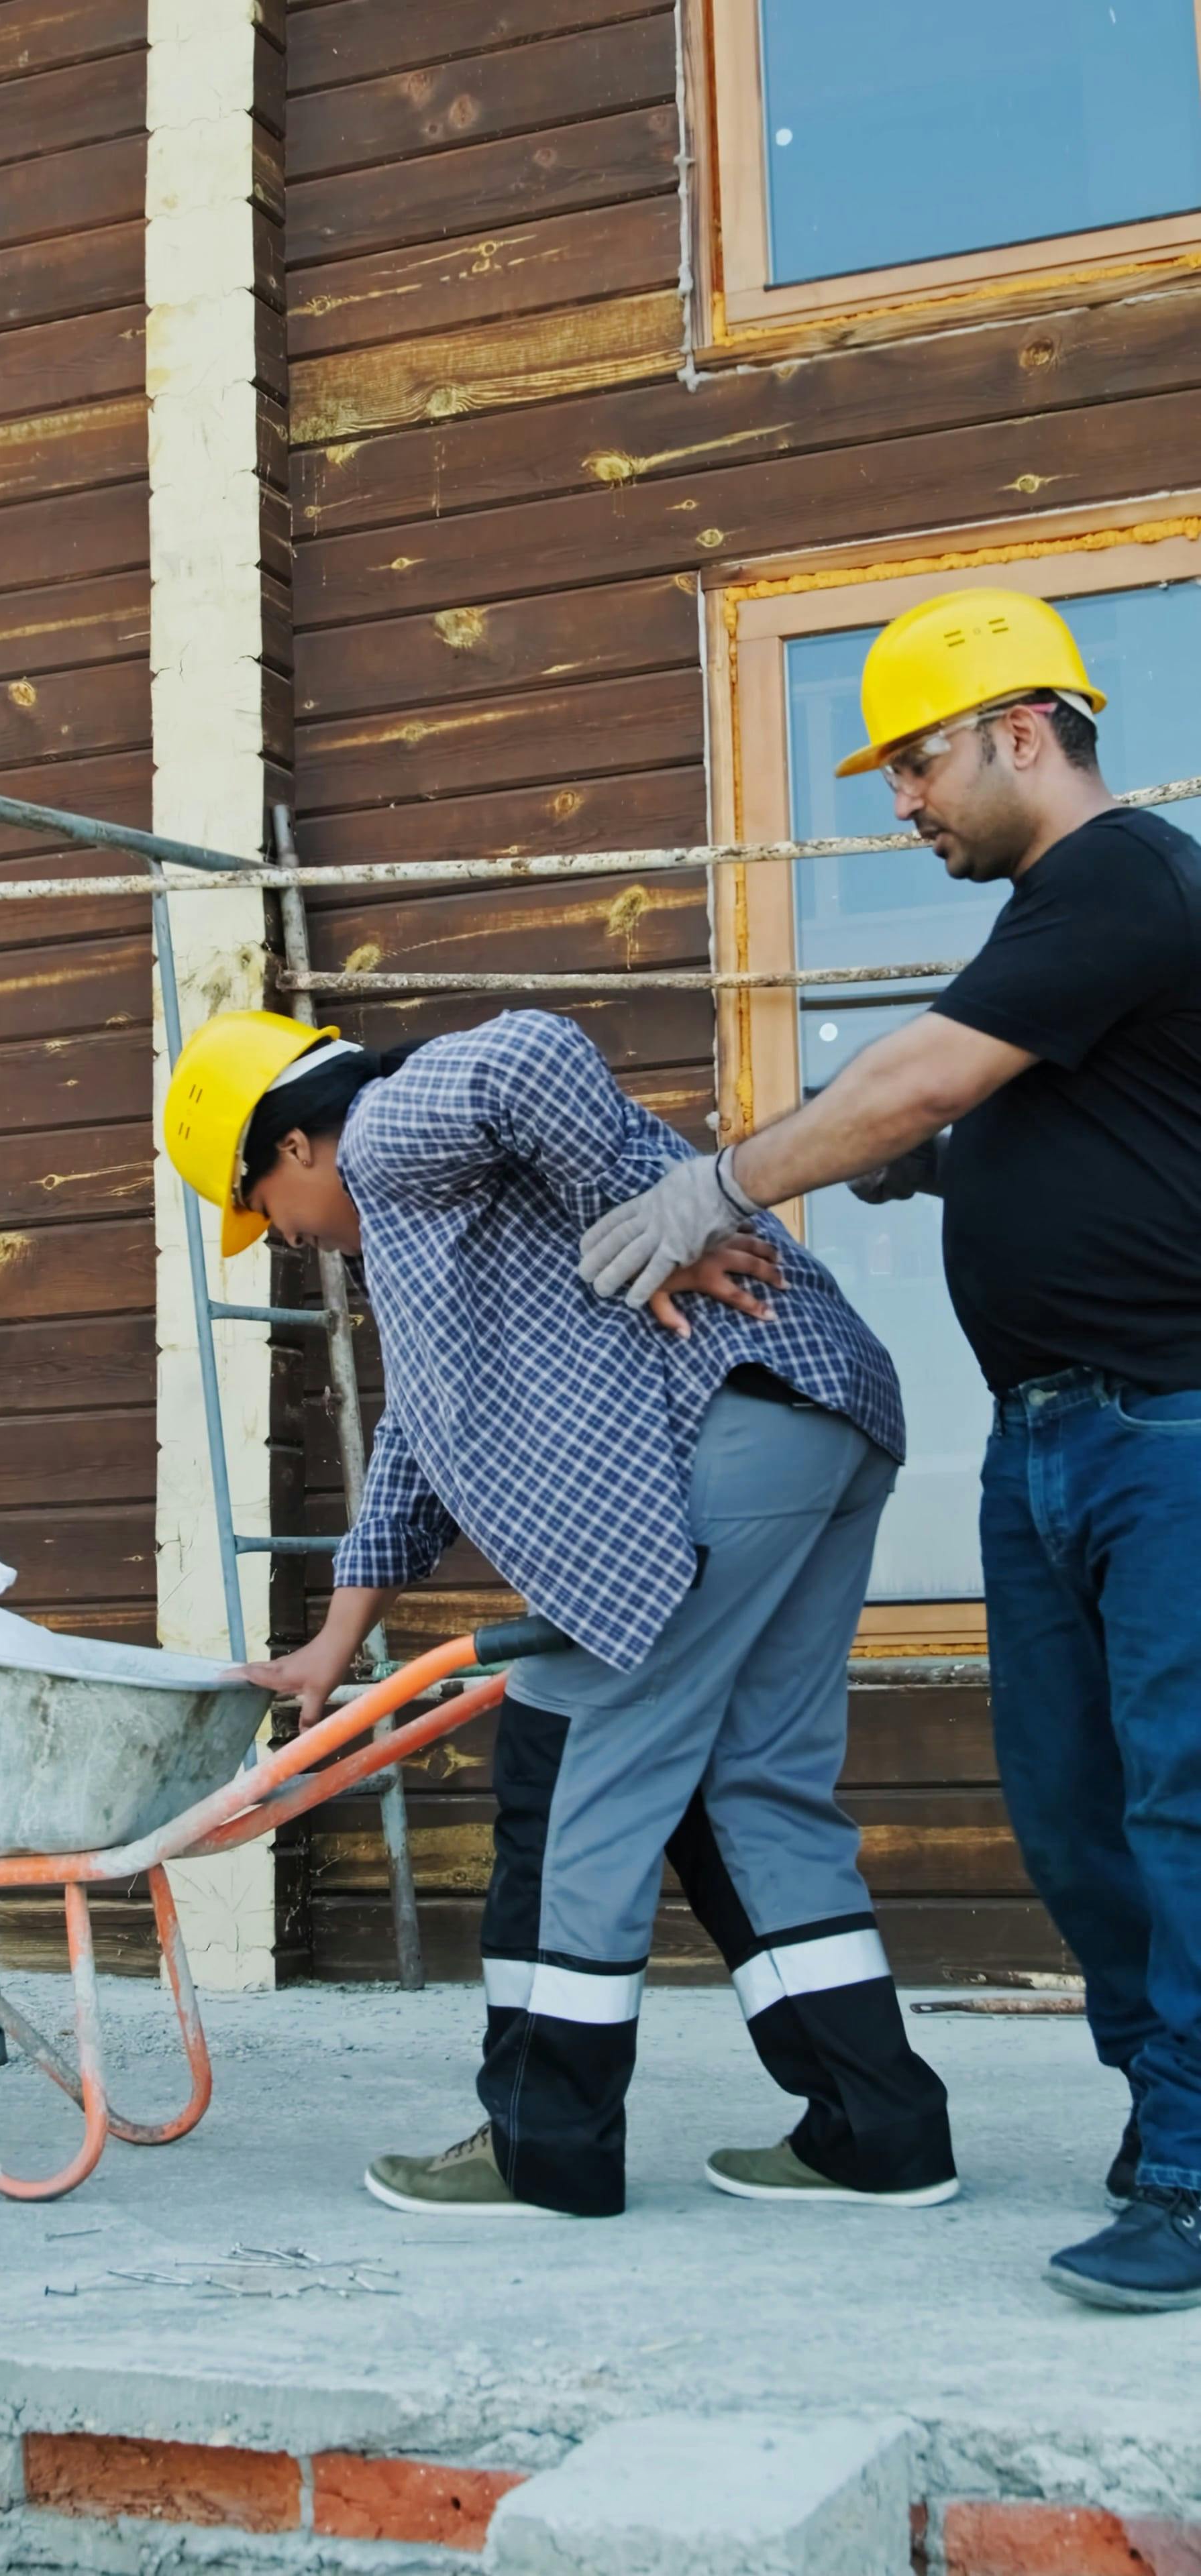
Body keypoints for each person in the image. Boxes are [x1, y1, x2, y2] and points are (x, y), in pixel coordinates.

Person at [580, 586, 1201, 2311]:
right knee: (1080, 1821)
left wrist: (725, 1176)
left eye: (919, 763)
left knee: (1184, 1803)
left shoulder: (1121, 879)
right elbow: (1015, 1106)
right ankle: (1171, 2123)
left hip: (1169, 1430)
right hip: (1056, 1435)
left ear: (1022, 731)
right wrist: (943, 1165)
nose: (903, 801)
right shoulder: (1059, 926)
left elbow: (927, 1076)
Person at [164, 1004, 955, 2220]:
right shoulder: (428, 1239)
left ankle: (547, 2146)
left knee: (568, 1762)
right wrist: (336, 1635)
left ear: (294, 1149)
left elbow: (532, 1052)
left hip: (721, 1428)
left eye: (262, 1210)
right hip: (820, 1417)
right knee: (752, 1782)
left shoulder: (385, 1131)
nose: (284, 1236)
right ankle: (878, 2130)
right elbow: (419, 1442)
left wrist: (661, 1231)